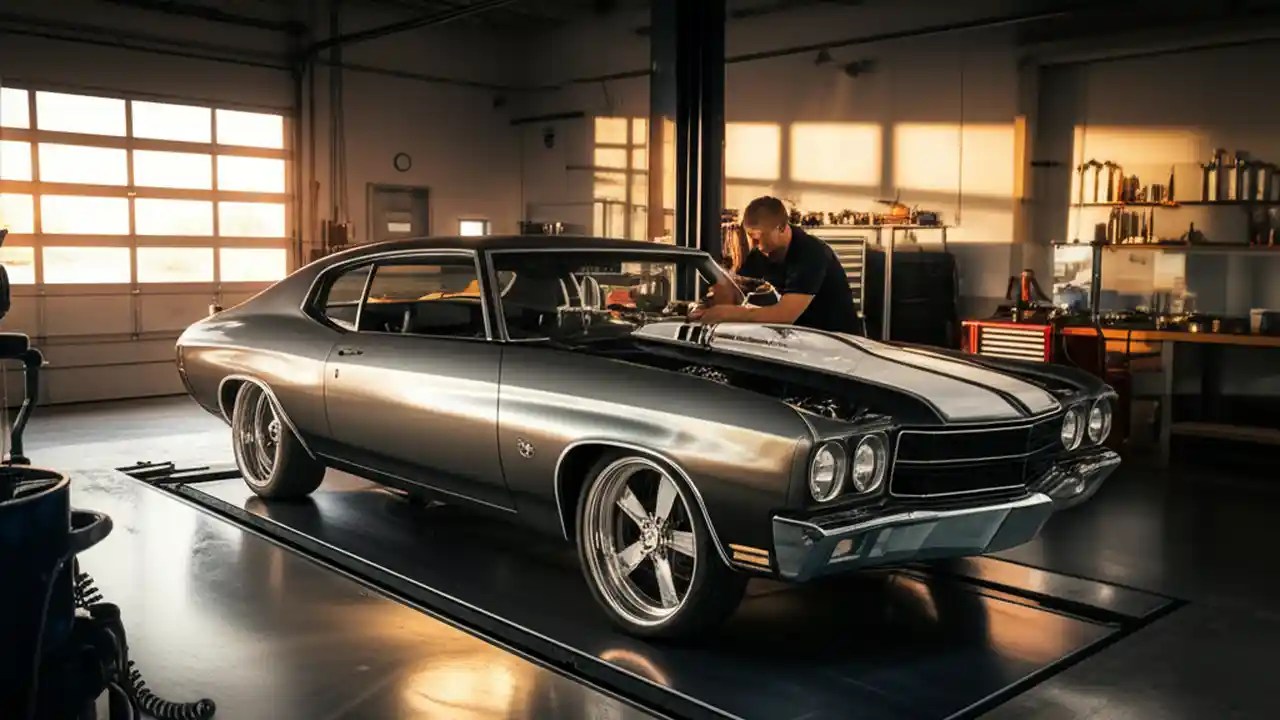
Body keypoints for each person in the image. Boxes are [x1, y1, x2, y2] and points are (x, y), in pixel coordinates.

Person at [691, 196, 863, 334]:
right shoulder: (761, 251)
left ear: (781, 228)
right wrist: (706, 305)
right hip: (805, 338)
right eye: (749, 236)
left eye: (757, 237)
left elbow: (784, 315)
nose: (753, 243)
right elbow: (736, 284)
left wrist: (729, 313)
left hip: (839, 343)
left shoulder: (811, 253)